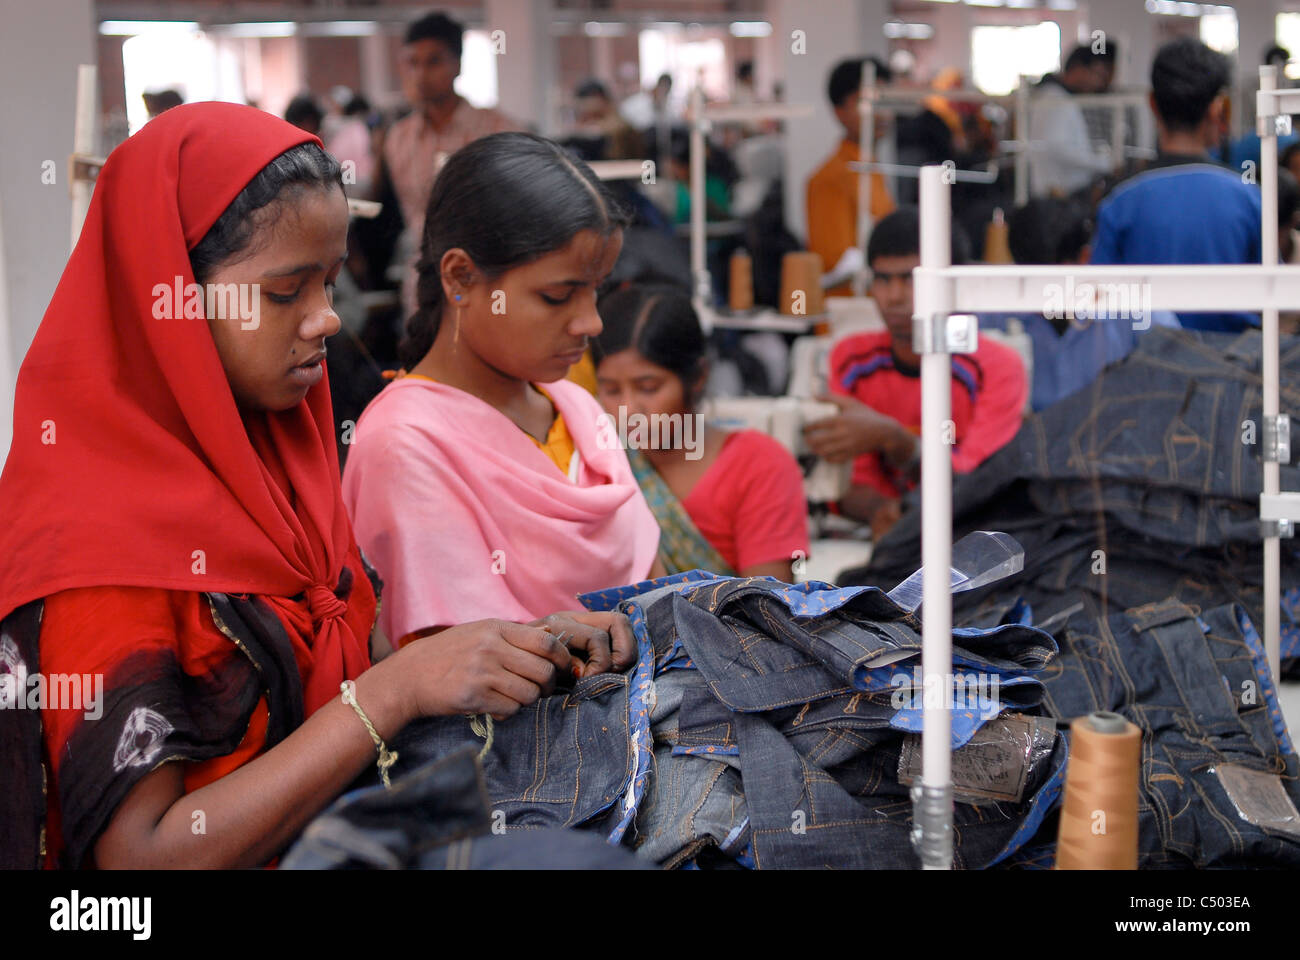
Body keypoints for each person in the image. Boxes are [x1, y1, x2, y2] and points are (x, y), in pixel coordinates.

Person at [0, 104, 632, 870]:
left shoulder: (283, 469)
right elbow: (142, 859)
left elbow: (359, 667)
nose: (327, 320)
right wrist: (391, 694)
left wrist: (524, 650)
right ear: (170, 297)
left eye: (330, 283)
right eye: (284, 292)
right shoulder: (92, 542)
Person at [343, 132, 662, 648]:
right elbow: (454, 668)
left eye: (595, 290)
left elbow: (655, 596)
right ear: (461, 278)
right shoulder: (404, 444)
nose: (592, 321)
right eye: (557, 295)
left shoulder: (577, 409)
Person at [803, 208, 1027, 538]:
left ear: (951, 283)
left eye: (911, 279)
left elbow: (977, 483)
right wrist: (883, 512)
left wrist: (897, 441)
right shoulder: (850, 359)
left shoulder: (997, 368)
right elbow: (848, 482)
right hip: (883, 537)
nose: (894, 296)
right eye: (882, 279)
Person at [593, 286, 809, 578]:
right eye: (611, 390)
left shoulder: (759, 466)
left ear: (698, 377)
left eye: (648, 388)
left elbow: (765, 608)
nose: (629, 409)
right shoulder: (598, 464)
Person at [1090, 38, 1261, 333]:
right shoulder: (1248, 197)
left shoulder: (1120, 202)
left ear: (1152, 104)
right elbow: (1273, 293)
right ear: (1216, 109)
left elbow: (1098, 305)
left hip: (1143, 370)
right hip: (1233, 369)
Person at [383, 11, 520, 319]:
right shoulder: (399, 139)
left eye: (433, 61)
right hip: (423, 282)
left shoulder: (498, 130)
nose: (421, 74)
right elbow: (412, 216)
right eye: (412, 63)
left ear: (457, 65)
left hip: (490, 277)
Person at [806, 57, 897, 297]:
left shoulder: (871, 170)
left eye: (883, 100)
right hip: (848, 313)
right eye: (865, 101)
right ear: (839, 111)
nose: (879, 113)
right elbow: (835, 263)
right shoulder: (830, 179)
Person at [1028, 45, 1112, 199]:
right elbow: (1058, 147)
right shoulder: (1056, 100)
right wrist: (1102, 163)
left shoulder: (1055, 96)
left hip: (1058, 191)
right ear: (1078, 69)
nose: (1099, 82)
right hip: (1060, 194)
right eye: (1096, 74)